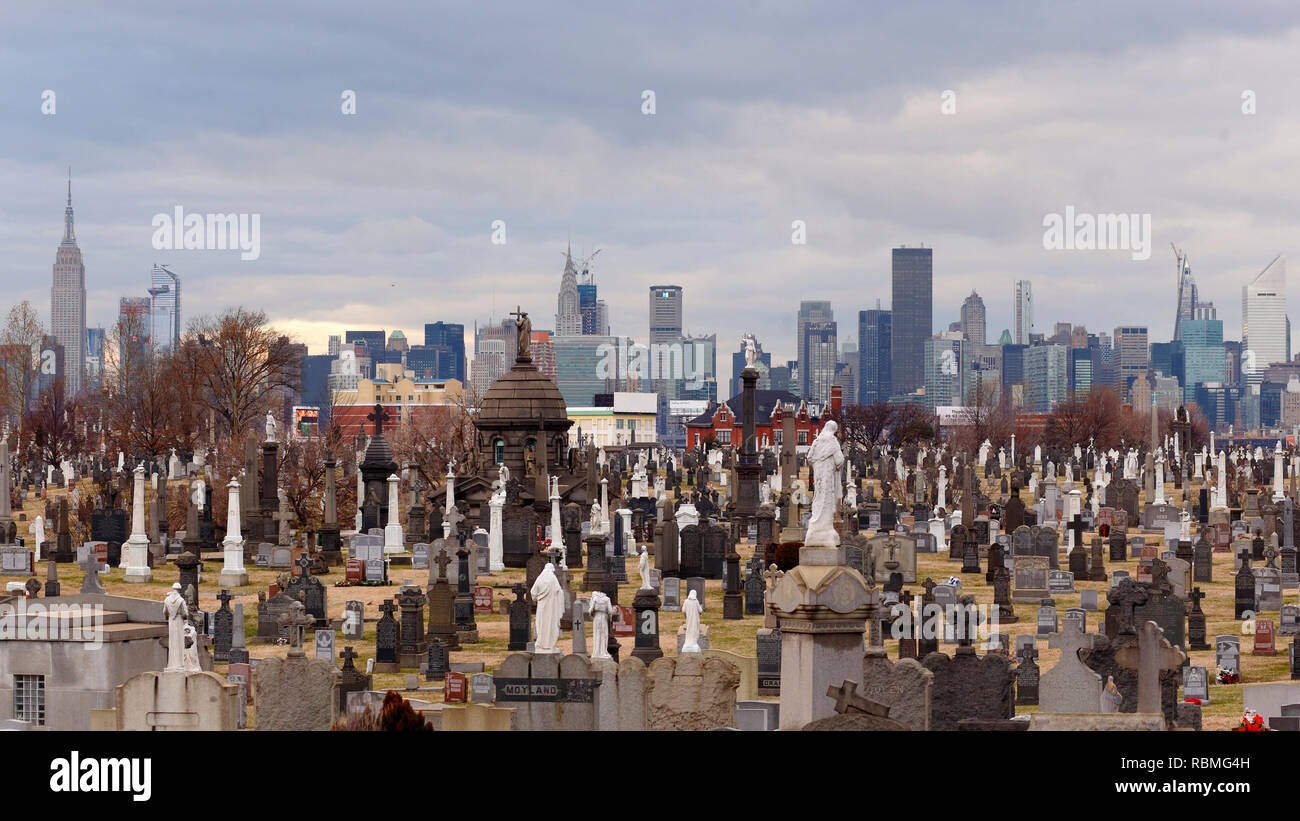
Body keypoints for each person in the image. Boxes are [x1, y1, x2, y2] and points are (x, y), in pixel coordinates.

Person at [804, 420, 845, 546]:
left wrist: (818, 463)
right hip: (828, 476)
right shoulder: (833, 442)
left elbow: (809, 458)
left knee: (818, 497)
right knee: (826, 499)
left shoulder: (817, 441)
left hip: (818, 476)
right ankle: (825, 529)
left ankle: (815, 527)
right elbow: (839, 460)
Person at [530, 563, 563, 653]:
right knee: (550, 624)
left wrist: (536, 598)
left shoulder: (540, 578)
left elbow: (533, 592)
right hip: (552, 607)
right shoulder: (553, 579)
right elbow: (558, 591)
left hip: (542, 606)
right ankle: (550, 645)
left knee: (541, 624)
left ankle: (541, 643)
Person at [163, 583, 189, 672]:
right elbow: (185, 613)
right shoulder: (181, 600)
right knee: (179, 641)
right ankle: (180, 663)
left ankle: (172, 663)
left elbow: (165, 612)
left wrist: (168, 617)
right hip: (179, 620)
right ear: (179, 589)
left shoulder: (167, 600)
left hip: (171, 621)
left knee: (172, 641)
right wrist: (184, 618)